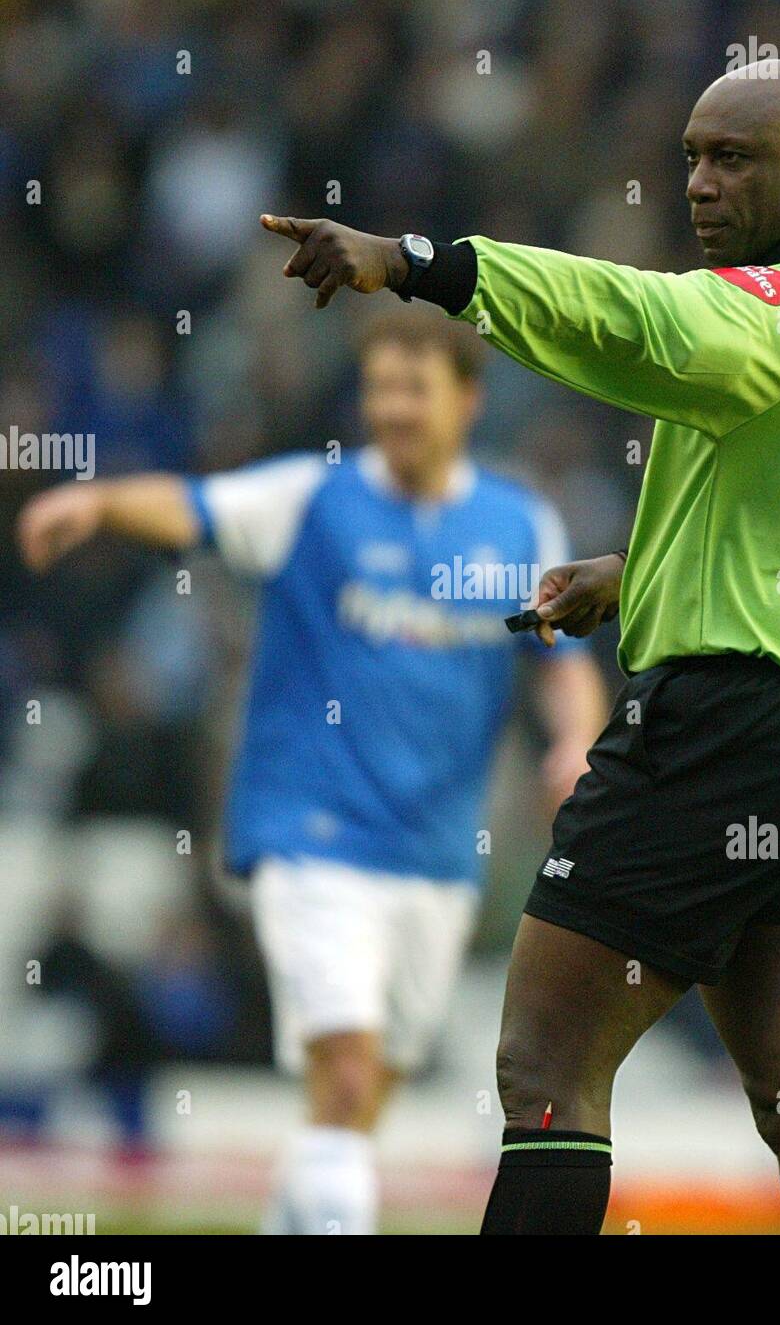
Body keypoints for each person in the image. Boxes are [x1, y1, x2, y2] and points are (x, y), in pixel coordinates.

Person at [258, 59, 780, 1236]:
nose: (700, 185)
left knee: (544, 1069)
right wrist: (638, 577)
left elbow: (636, 321)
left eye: (732, 158)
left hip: (727, 724)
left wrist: (415, 265)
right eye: (690, 157)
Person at [17, 305, 607, 1235]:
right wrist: (95, 503)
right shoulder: (313, 500)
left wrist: (573, 743)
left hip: (439, 854)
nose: (395, 410)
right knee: (343, 1073)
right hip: (312, 835)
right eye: (381, 390)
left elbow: (563, 661)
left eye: (415, 389)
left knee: (363, 1097)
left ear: (467, 399)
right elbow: (194, 508)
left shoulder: (517, 524)